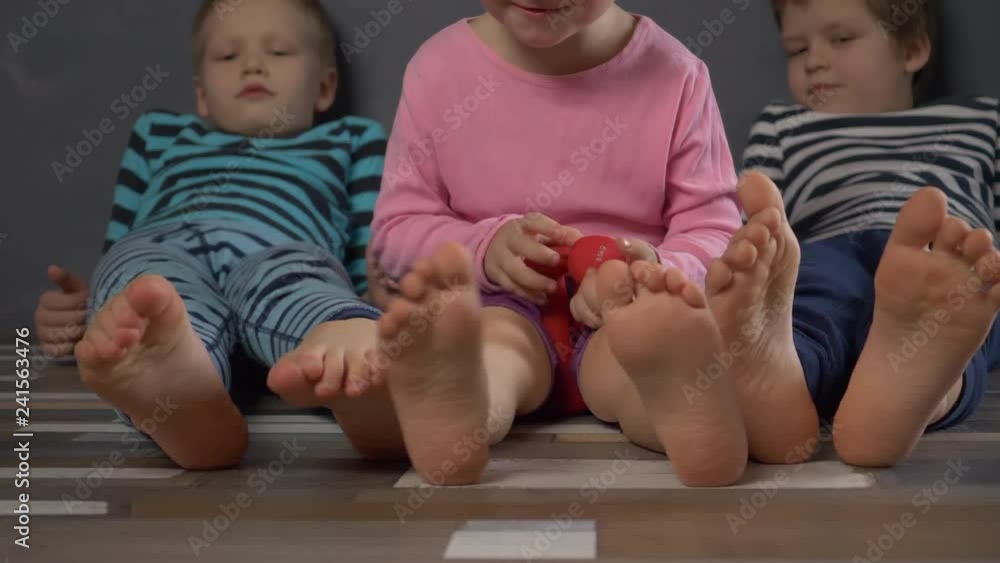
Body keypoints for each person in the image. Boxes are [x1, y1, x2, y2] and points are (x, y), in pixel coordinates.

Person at [334, 0, 751, 488]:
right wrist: (482, 247)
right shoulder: (438, 69)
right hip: (500, 303)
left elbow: (716, 226)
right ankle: (459, 411)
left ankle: (684, 410)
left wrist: (658, 269)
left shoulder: (677, 75)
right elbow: (396, 230)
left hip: (623, 306)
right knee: (493, 350)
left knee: (635, 365)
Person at [36, 0, 389, 470]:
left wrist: (372, 300)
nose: (253, 65)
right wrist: (85, 310)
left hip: (280, 245)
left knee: (299, 281)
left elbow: (367, 255)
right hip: (164, 244)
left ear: (324, 87)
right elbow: (117, 246)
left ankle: (350, 349)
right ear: (202, 95)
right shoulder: (159, 133)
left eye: (279, 51)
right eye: (227, 57)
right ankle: (181, 385)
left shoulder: (352, 138)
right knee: (146, 285)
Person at [707, 0, 1000, 469]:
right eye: (797, 49)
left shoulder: (983, 120)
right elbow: (756, 227)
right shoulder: (784, 125)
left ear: (913, 49)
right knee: (807, 312)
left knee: (965, 312)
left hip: (943, 256)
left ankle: (927, 389)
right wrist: (748, 272)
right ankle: (779, 378)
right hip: (827, 249)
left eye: (841, 39)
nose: (815, 60)